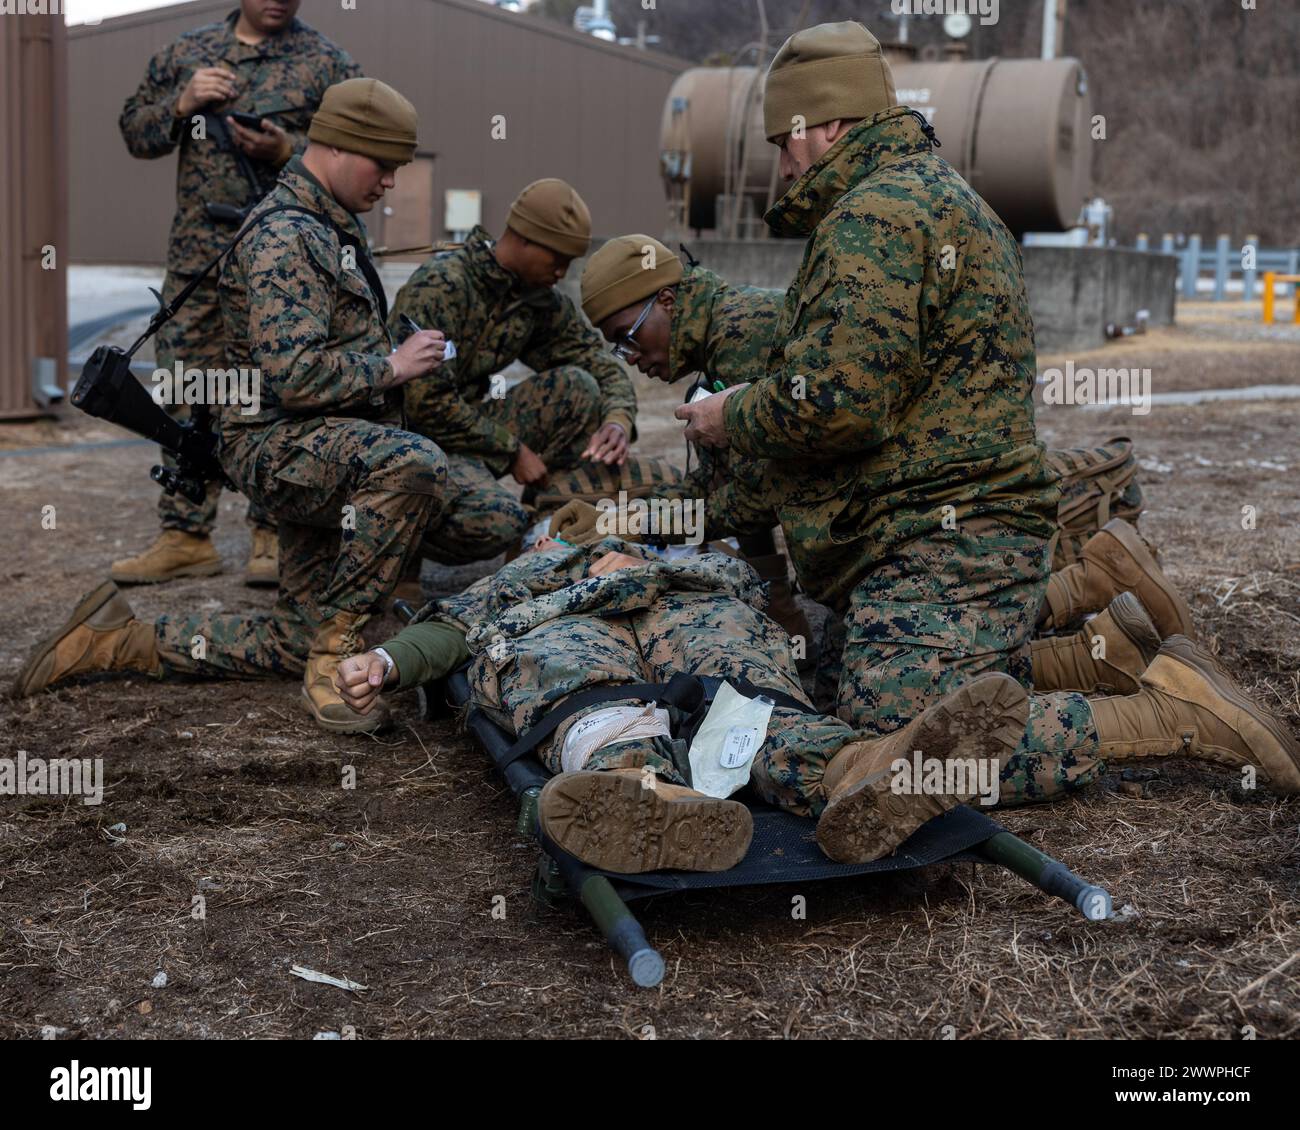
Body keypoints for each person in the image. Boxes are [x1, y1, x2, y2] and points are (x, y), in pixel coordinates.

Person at [671, 22, 1286, 793]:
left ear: (823, 125)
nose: (780, 161)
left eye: (782, 140)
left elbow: (838, 405)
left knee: (891, 759)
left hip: (943, 543)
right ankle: (1101, 651)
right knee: (836, 682)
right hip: (956, 535)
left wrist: (734, 416)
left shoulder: (877, 217)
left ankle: (1172, 711)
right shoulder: (929, 197)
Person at [331, 512, 1300, 872]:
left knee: (754, 713)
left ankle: (864, 773)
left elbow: (758, 593)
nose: (589, 525)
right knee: (589, 705)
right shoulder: (529, 579)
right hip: (576, 646)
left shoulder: (689, 558)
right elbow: (451, 630)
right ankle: (647, 802)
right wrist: (385, 662)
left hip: (704, 634)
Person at [17, 79, 452, 735]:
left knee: (291, 634)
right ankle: (336, 653)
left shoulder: (326, 224)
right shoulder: (287, 237)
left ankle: (120, 640)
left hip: (322, 446)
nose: (390, 181)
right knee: (417, 466)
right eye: (381, 164)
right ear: (333, 147)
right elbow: (294, 375)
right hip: (285, 450)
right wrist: (393, 365)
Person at [114, 0, 360, 588]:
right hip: (199, 258)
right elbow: (135, 132)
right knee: (187, 384)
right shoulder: (187, 53)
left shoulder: (327, 62)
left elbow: (358, 152)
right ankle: (185, 533)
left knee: (276, 386)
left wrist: (286, 151)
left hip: (285, 258)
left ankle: (273, 533)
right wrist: (181, 103)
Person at [388, 179, 638, 567]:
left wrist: (618, 419)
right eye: (556, 258)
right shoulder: (442, 285)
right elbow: (425, 405)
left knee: (578, 389)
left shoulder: (536, 300)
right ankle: (394, 544)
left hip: (464, 434)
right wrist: (513, 449)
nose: (561, 271)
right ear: (523, 239)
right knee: (497, 519)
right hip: (407, 438)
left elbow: (596, 361)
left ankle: (547, 528)